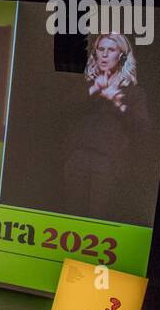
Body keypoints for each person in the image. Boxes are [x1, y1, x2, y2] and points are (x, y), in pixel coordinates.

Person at [61, 31, 151, 224]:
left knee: (98, 219)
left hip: (108, 163)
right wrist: (93, 90)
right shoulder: (85, 83)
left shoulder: (134, 91)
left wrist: (119, 104)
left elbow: (142, 128)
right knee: (71, 217)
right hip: (77, 157)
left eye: (110, 50)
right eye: (100, 49)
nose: (104, 54)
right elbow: (63, 110)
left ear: (122, 55)